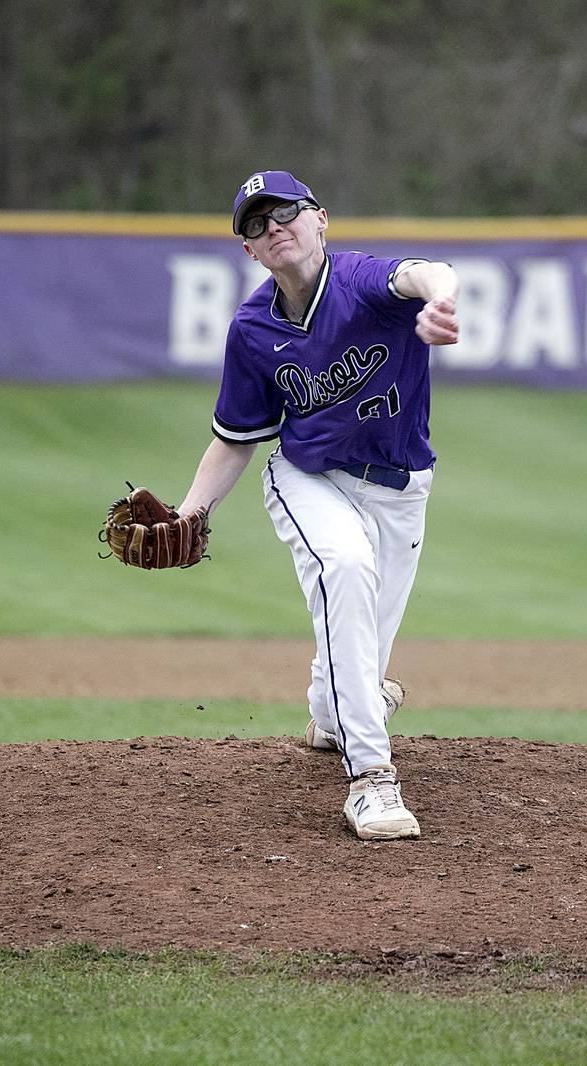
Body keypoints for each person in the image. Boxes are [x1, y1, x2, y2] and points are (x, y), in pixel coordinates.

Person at [176, 170, 460, 841]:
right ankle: (371, 781)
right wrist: (192, 513)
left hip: (402, 488)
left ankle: (332, 714)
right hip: (310, 479)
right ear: (249, 251)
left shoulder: (361, 281)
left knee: (357, 655)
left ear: (321, 219)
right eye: (256, 224)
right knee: (346, 569)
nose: (274, 228)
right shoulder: (252, 329)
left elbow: (428, 273)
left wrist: (441, 303)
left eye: (286, 213)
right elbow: (235, 439)